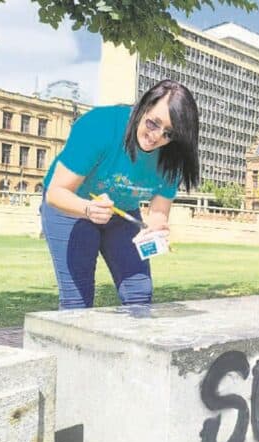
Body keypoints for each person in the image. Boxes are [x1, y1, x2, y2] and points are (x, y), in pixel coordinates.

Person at [42, 80, 199, 309]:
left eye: (168, 133)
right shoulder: (100, 126)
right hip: (73, 206)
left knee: (139, 294)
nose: (156, 137)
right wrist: (87, 209)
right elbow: (56, 193)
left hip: (122, 212)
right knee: (77, 302)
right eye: (153, 123)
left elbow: (159, 212)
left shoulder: (172, 158)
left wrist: (156, 227)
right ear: (143, 106)